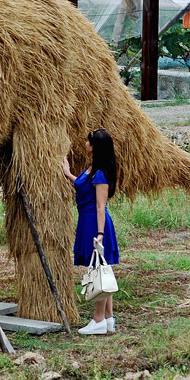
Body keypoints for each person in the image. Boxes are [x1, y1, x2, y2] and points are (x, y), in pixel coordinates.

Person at [62, 128, 120, 336]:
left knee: (96, 270)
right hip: (87, 222)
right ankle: (108, 319)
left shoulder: (101, 174)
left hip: (96, 224)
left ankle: (97, 320)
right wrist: (69, 174)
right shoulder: (91, 168)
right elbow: (83, 187)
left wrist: (100, 234)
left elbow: (100, 207)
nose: (85, 144)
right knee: (103, 270)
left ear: (94, 147)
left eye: (88, 141)